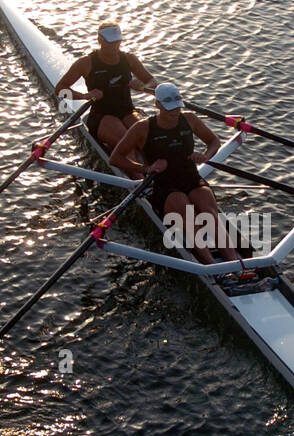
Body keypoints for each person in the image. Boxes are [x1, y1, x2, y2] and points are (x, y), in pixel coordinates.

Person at [109, 84, 240, 266]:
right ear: (158, 105)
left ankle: (235, 263)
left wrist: (205, 156)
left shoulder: (190, 119)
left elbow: (213, 141)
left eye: (178, 106)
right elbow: (115, 159)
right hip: (164, 184)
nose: (175, 111)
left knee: (210, 213)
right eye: (170, 108)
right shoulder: (143, 128)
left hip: (191, 178)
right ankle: (211, 266)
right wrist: (147, 169)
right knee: (187, 214)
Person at [55, 21, 156, 149]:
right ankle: (139, 168)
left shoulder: (129, 59)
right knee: (127, 144)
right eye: (111, 42)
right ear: (100, 40)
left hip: (128, 111)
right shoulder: (86, 63)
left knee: (152, 141)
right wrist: (85, 96)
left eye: (117, 42)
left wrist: (142, 86)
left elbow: (153, 83)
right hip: (101, 115)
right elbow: (60, 89)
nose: (115, 46)